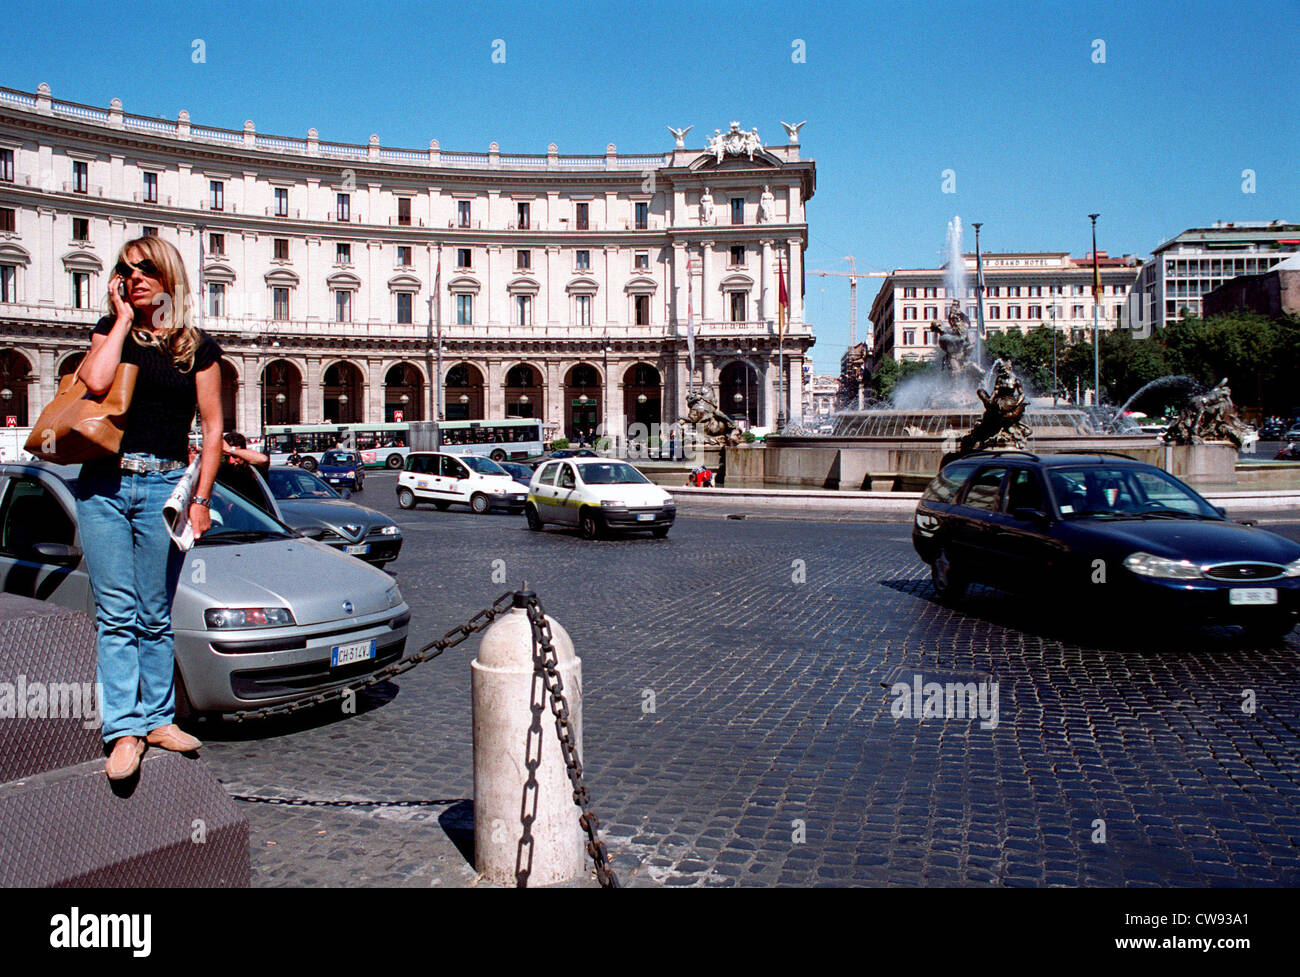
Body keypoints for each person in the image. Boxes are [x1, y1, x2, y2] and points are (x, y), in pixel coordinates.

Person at [75, 235, 223, 781]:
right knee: (117, 615)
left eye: (145, 270)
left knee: (154, 615)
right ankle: (124, 730)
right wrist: (116, 321)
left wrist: (202, 500)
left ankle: (159, 718)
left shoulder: (197, 348)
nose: (134, 277)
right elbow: (93, 382)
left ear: (167, 277)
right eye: (126, 270)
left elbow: (212, 431)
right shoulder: (110, 334)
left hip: (163, 490)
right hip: (104, 488)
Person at [216, 430, 274, 515]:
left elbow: (263, 459)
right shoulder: (224, 469)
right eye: (227, 456)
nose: (231, 461)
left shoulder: (253, 468)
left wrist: (230, 450)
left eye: (235, 456)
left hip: (257, 517)